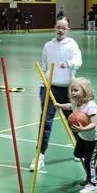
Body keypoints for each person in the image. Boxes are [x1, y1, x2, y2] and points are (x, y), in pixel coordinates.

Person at [30, 19, 83, 172]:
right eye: (58, 27)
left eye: (63, 28)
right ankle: (39, 155)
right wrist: (43, 86)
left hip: (68, 89)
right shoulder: (48, 45)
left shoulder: (72, 45)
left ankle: (79, 151)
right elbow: (45, 66)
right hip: (50, 88)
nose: (60, 30)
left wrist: (67, 64)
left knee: (74, 120)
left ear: (68, 29)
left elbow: (78, 61)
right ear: (55, 28)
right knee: (45, 122)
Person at [57, 77, 97, 193]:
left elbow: (94, 123)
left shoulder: (90, 105)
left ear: (85, 91)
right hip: (83, 136)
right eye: (72, 90)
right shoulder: (76, 103)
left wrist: (83, 128)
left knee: (89, 160)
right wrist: (59, 105)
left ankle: (93, 184)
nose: (73, 93)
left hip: (94, 137)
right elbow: (69, 106)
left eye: (76, 90)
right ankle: (89, 176)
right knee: (78, 154)